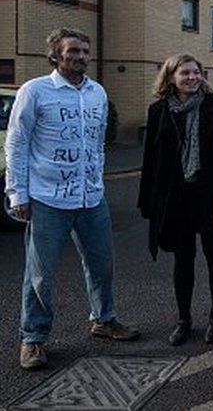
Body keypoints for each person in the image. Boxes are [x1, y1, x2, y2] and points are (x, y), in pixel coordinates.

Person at [7, 28, 140, 370]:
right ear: (56, 55)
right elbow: (17, 144)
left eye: (84, 51)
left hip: (91, 198)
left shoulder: (97, 93)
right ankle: (33, 339)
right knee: (40, 274)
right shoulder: (35, 91)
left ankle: (104, 319)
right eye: (73, 51)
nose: (81, 56)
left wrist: (97, 179)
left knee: (102, 264)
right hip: (48, 199)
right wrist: (17, 193)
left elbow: (97, 143)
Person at [138, 54, 213, 346]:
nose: (192, 77)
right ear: (171, 78)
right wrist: (148, 202)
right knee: (183, 261)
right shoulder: (159, 112)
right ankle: (184, 319)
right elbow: (150, 160)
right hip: (176, 198)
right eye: (185, 73)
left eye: (196, 72)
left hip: (210, 196)